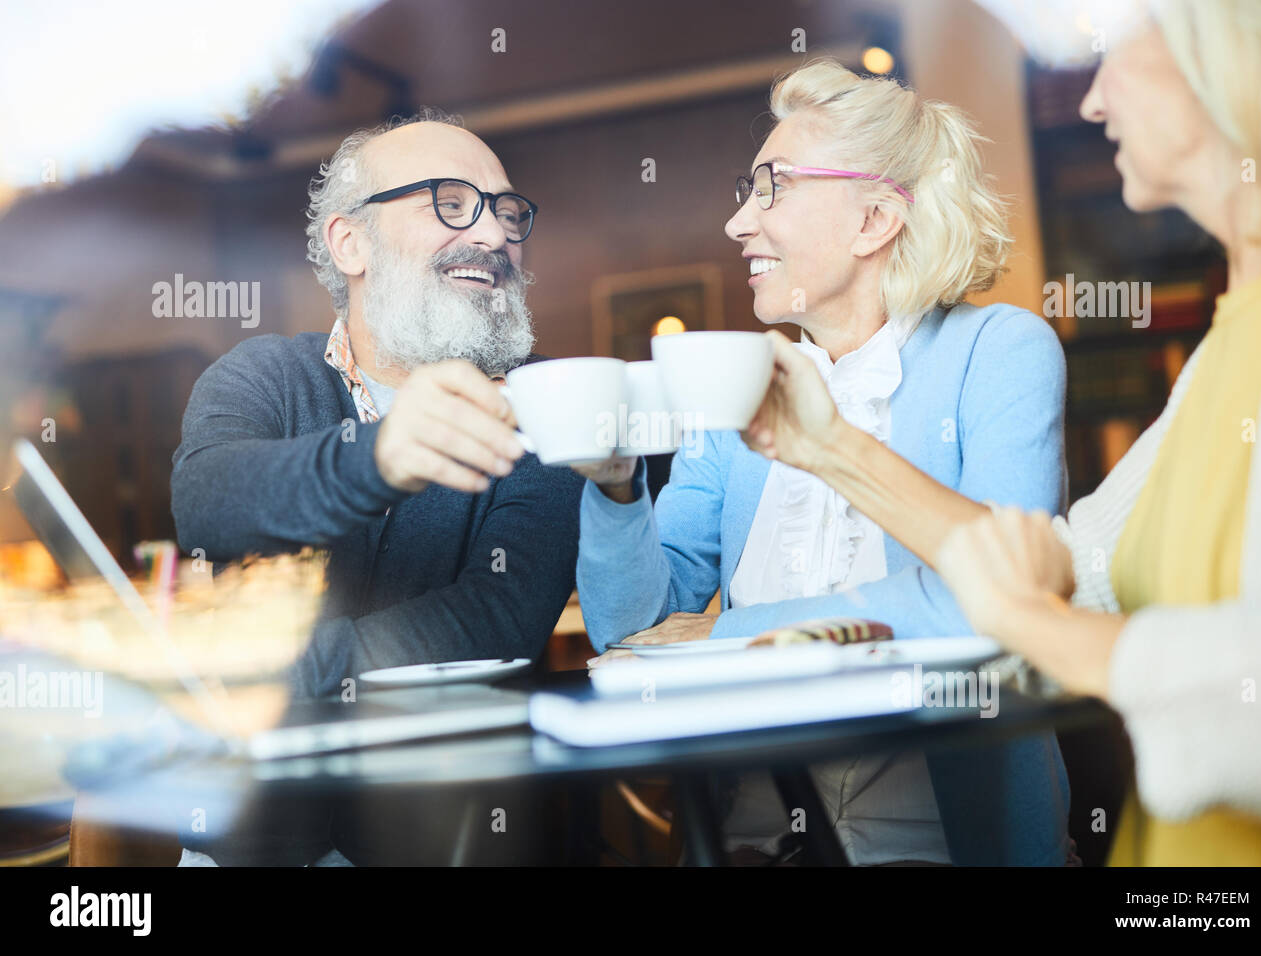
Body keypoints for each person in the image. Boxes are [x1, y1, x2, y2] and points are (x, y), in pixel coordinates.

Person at [744, 1, 1261, 866]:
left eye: (1116, 54)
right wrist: (829, 448)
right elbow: (1064, 569)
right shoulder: (1233, 344)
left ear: (1224, 60)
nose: (1090, 101)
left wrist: (1029, 626)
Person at [575, 60, 1071, 865]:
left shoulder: (1000, 352)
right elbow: (633, 636)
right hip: (752, 848)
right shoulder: (738, 381)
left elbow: (986, 602)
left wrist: (728, 633)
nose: (738, 222)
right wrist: (616, 486)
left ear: (874, 219)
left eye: (772, 186)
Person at [171, 109, 583, 865]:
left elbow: (494, 624)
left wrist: (274, 672)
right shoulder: (263, 376)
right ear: (350, 241)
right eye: (452, 204)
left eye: (506, 211)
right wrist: (380, 457)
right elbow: (210, 504)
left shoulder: (548, 404)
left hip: (447, 838)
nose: (494, 236)